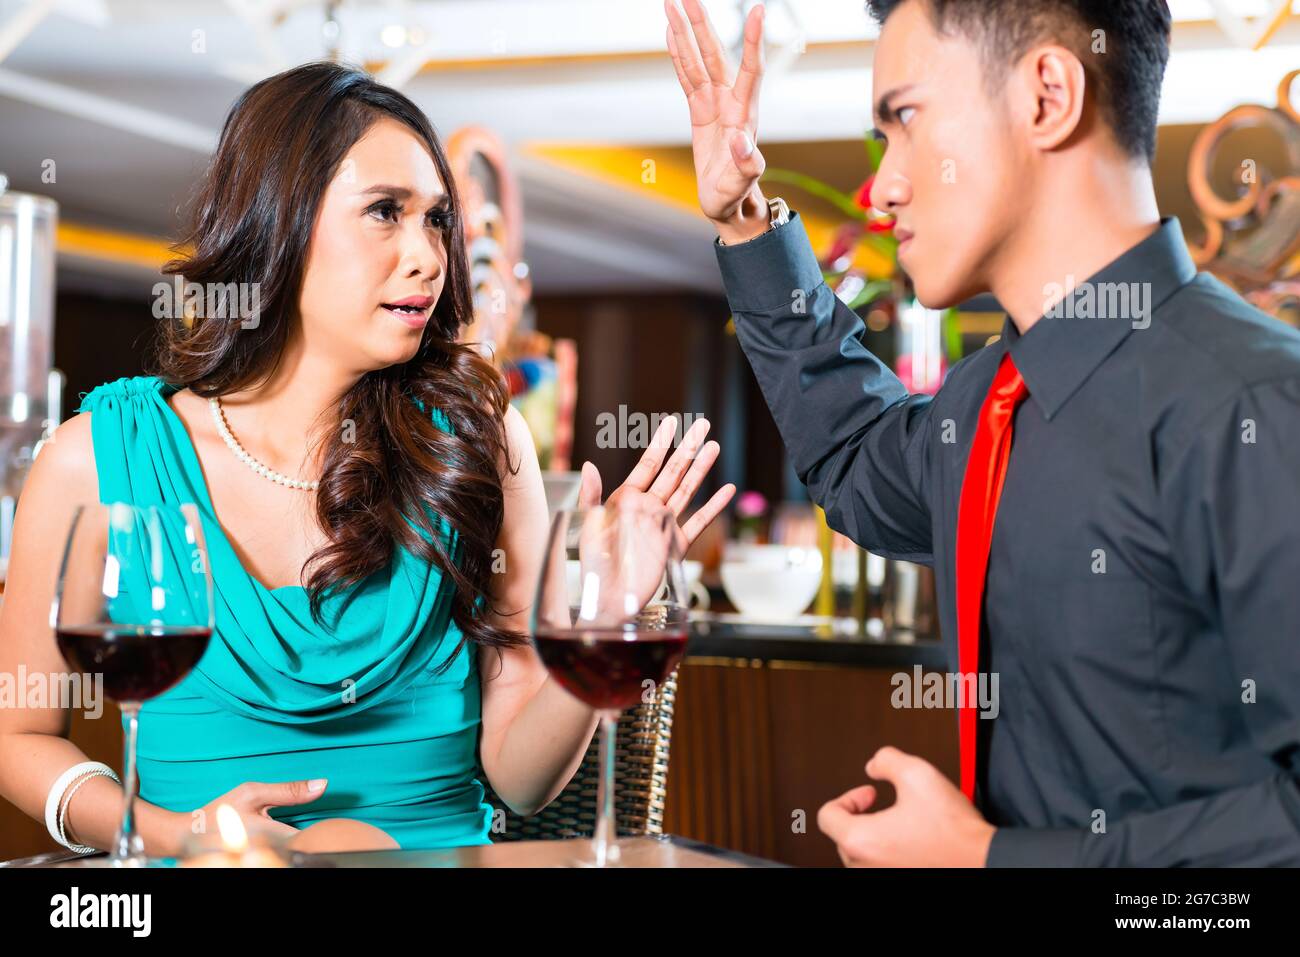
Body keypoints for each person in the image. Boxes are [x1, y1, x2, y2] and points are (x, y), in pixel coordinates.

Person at [0, 61, 734, 857]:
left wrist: (599, 625)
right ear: (277, 221)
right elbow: (17, 734)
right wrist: (167, 832)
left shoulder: (479, 441)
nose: (428, 256)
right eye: (386, 212)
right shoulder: (95, 459)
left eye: (436, 220)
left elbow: (521, 782)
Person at [665, 0, 1300, 866]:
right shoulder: (982, 404)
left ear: (1047, 94)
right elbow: (853, 451)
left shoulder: (1256, 402)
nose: (881, 186)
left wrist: (990, 861)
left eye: (907, 119)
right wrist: (745, 217)